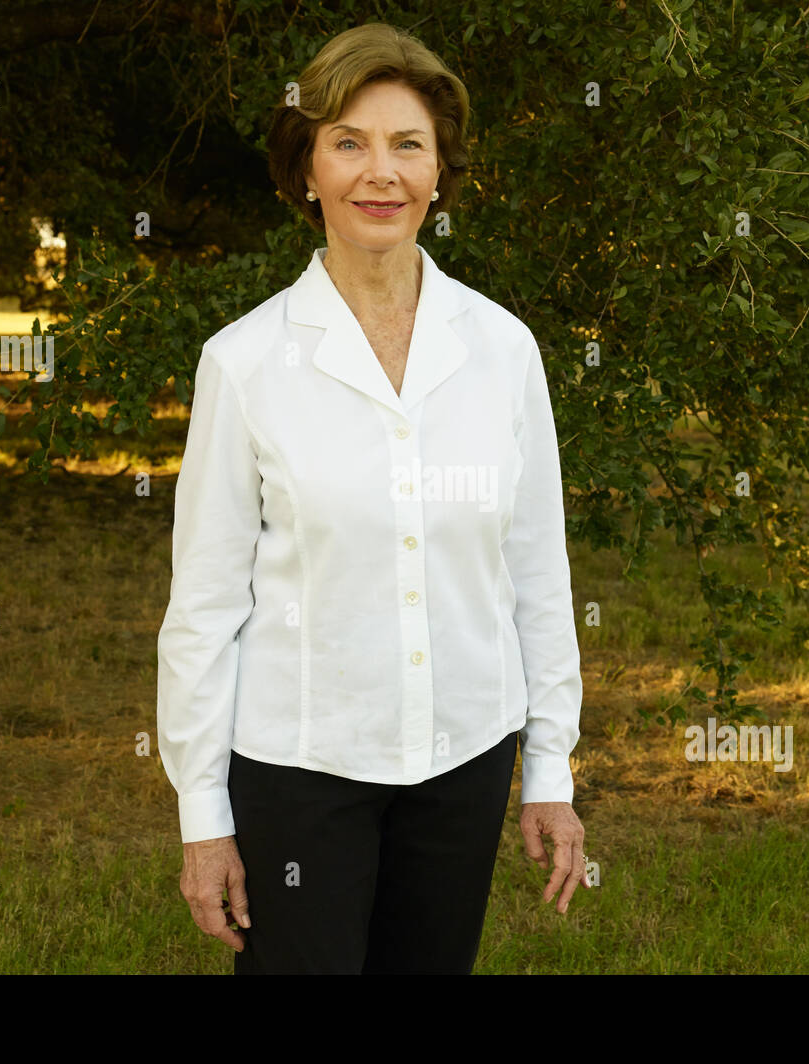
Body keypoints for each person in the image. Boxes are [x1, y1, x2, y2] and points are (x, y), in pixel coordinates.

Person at [157, 21, 587, 975]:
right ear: (307, 171)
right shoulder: (244, 363)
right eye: (348, 143)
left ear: (440, 173)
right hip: (299, 772)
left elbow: (537, 572)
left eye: (407, 146)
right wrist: (202, 817)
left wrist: (549, 769)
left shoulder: (503, 350)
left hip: (464, 759)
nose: (379, 172)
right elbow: (206, 608)